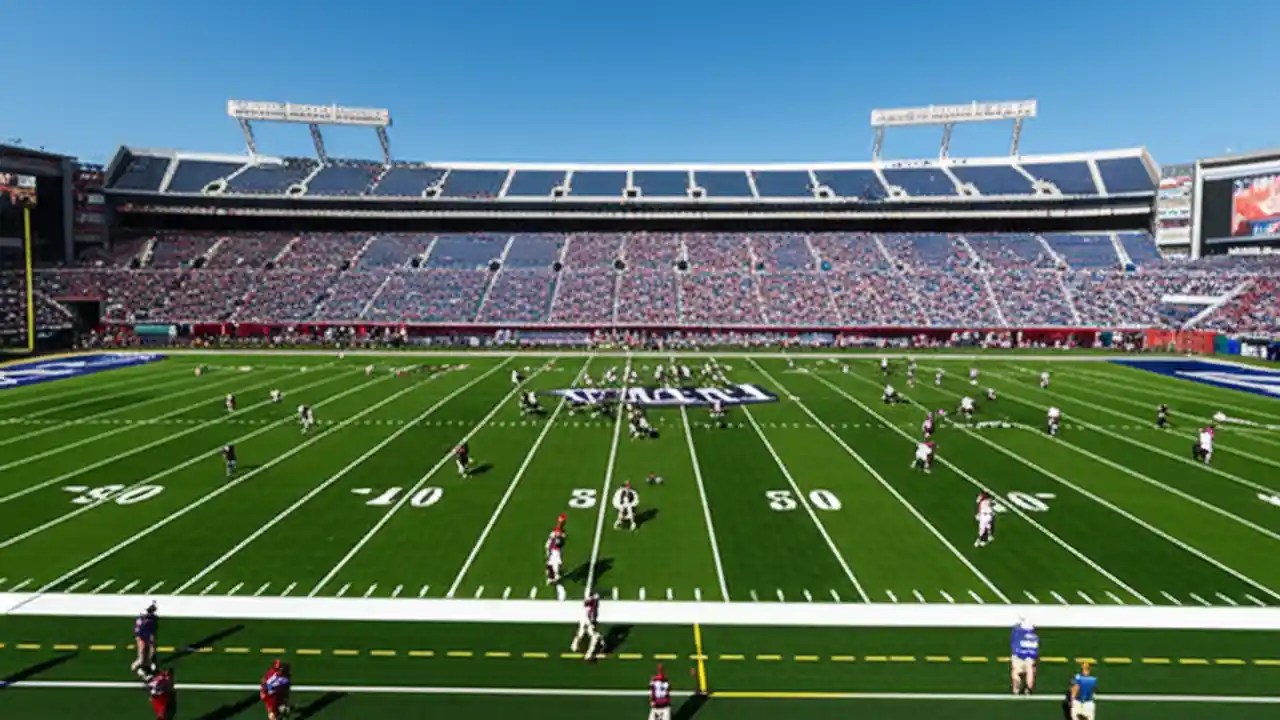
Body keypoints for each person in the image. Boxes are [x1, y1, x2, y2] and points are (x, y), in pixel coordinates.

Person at [571, 592, 604, 661]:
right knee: (594, 637)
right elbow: (590, 615)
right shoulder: (592, 607)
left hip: (584, 619)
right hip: (587, 621)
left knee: (581, 633)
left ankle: (574, 645)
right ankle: (589, 654)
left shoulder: (588, 605)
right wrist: (591, 623)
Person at [1010, 618, 1039, 695]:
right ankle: (1028, 689)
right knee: (1030, 671)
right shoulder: (1035, 636)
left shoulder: (1017, 633)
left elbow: (1014, 644)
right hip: (1030, 658)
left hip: (1018, 656)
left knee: (1015, 672)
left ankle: (1016, 688)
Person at [131, 602, 159, 679]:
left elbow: (154, 629)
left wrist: (152, 638)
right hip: (142, 638)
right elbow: (138, 633)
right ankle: (138, 668)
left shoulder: (153, 618)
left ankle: (148, 664)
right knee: (142, 658)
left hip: (149, 637)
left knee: (151, 653)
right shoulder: (141, 620)